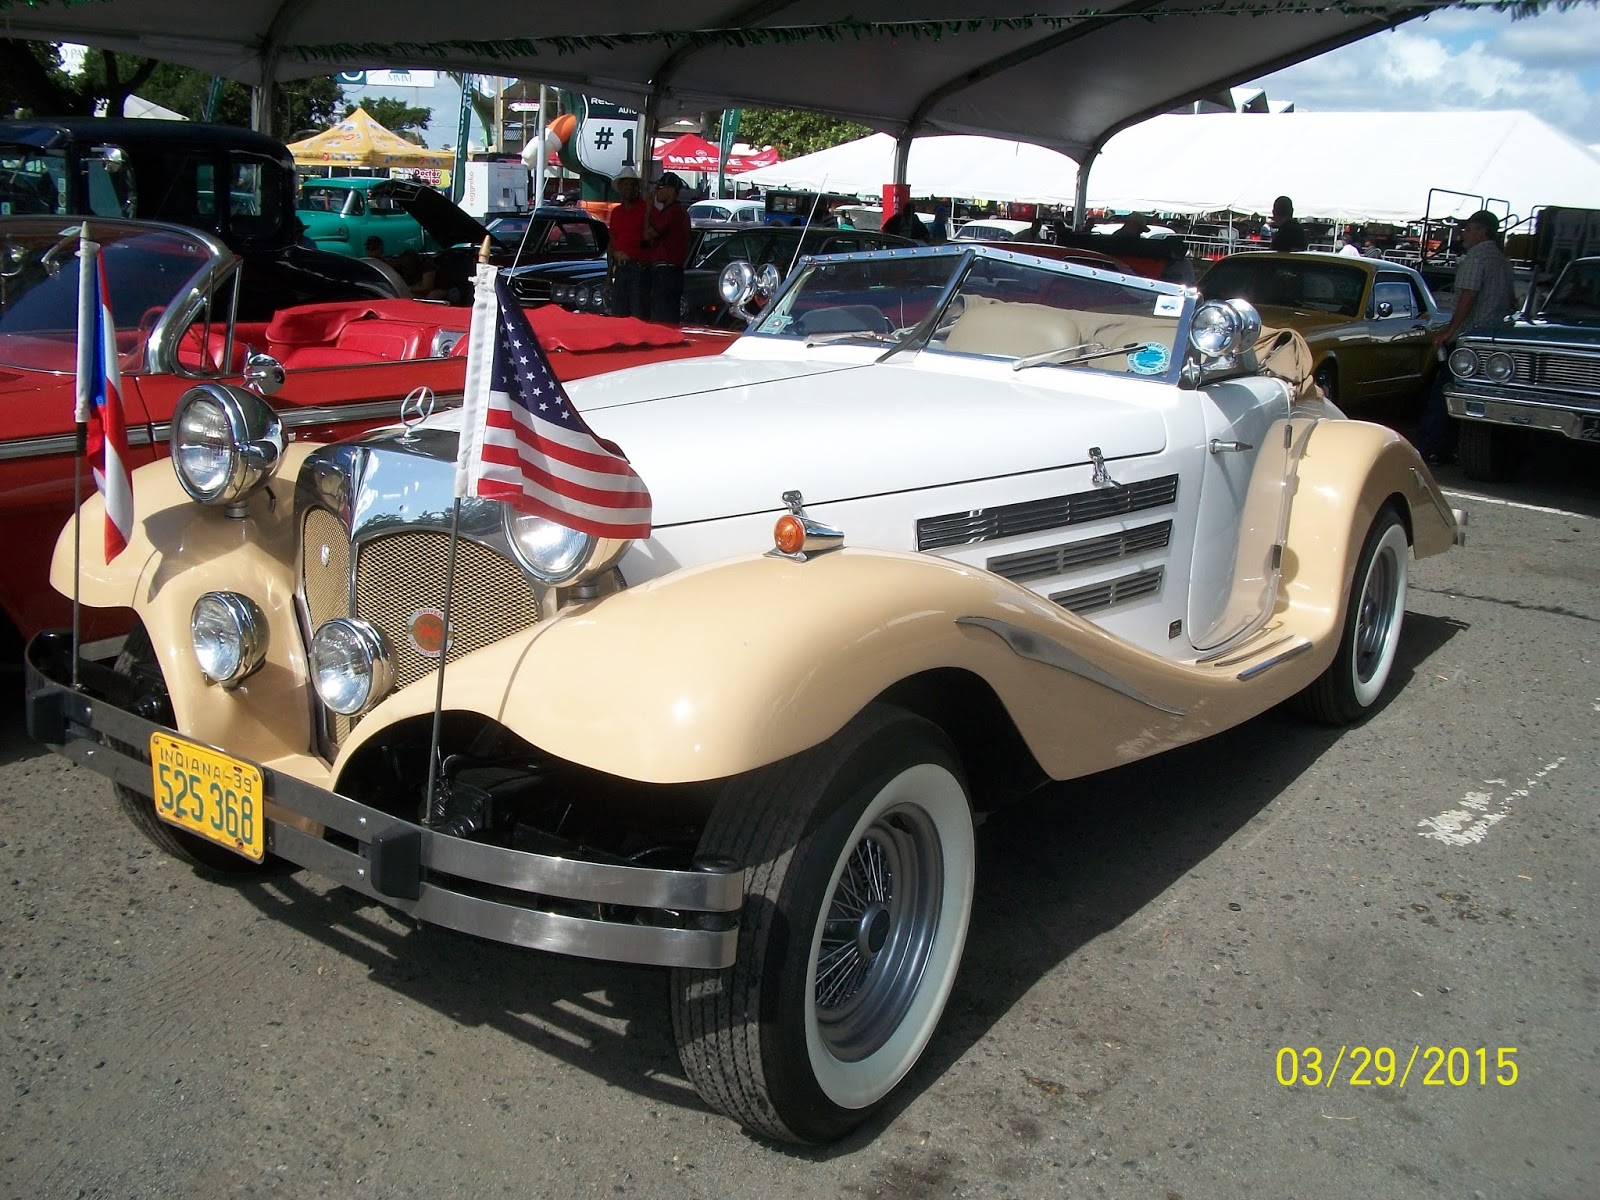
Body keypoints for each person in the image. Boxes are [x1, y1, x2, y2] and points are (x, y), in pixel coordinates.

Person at [1415, 209, 1518, 465]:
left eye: (1469, 229)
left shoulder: (1477, 258)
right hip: (1492, 338)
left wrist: (1450, 331)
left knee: (1444, 392)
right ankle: (1449, 448)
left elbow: (1467, 297)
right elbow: (1512, 301)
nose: (1465, 234)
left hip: (1469, 339)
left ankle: (1428, 447)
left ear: (1482, 231)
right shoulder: (1502, 261)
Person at [641, 171, 692, 323]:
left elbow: (648, 235)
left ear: (671, 190)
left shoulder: (673, 213)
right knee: (663, 314)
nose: (657, 192)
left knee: (663, 318)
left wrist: (648, 210)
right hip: (668, 271)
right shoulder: (674, 212)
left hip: (666, 271)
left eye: (660, 188)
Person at [606, 165, 650, 319]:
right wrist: (608, 275)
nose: (629, 188)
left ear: (637, 188)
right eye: (626, 184)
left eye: (632, 185)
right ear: (620, 188)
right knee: (618, 313)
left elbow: (652, 239)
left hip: (639, 269)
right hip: (621, 270)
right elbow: (612, 242)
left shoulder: (646, 209)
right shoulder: (617, 212)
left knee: (638, 314)